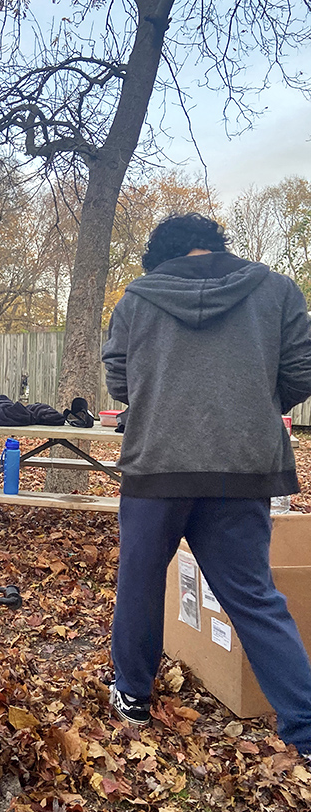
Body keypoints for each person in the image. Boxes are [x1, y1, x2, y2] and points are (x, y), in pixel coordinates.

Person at [101, 212, 311, 757]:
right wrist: (255, 411)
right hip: (243, 469)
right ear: (213, 246)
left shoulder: (136, 300)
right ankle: (306, 727)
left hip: (156, 467)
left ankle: (132, 697)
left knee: (141, 581)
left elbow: (119, 378)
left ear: (163, 256)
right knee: (254, 596)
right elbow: (301, 371)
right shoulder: (277, 291)